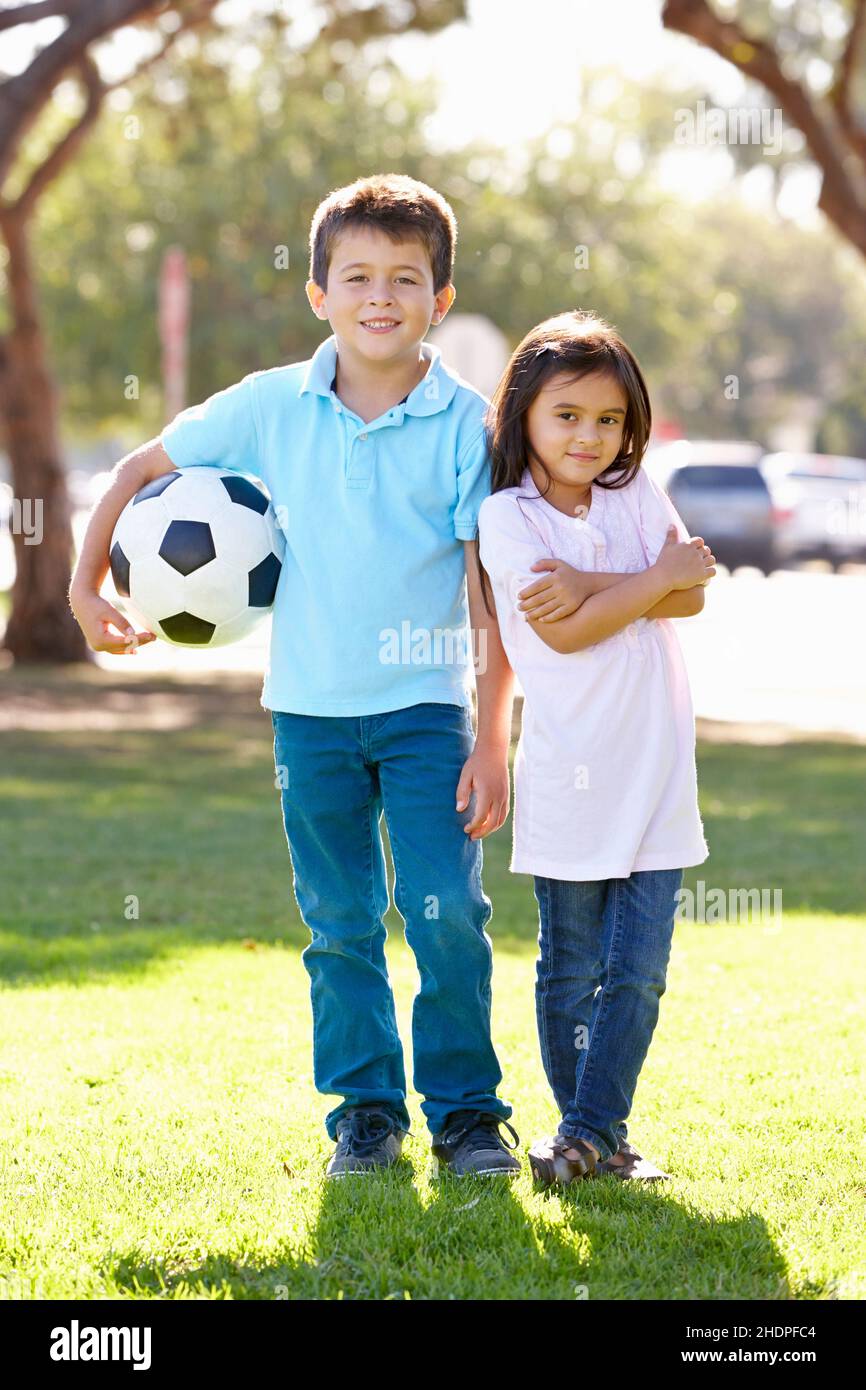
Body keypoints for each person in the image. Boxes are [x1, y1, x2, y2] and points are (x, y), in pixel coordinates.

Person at [70, 173, 519, 1180]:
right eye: (355, 275)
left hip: (425, 712)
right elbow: (137, 467)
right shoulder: (273, 404)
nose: (379, 296)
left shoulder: (466, 424)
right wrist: (81, 584)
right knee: (339, 924)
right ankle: (364, 1113)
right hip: (308, 716)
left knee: (448, 912)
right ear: (316, 293)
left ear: (438, 300)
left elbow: (488, 592)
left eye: (405, 279)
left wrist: (494, 734)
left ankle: (465, 1115)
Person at [476, 309, 714, 1185]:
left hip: (657, 775)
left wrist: (609, 585)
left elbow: (692, 594)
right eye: (567, 416)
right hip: (571, 776)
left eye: (609, 419)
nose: (589, 436)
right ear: (525, 417)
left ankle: (585, 1135)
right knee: (572, 969)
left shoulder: (635, 489)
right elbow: (571, 633)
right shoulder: (508, 518)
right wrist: (649, 580)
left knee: (641, 971)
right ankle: (594, 1140)